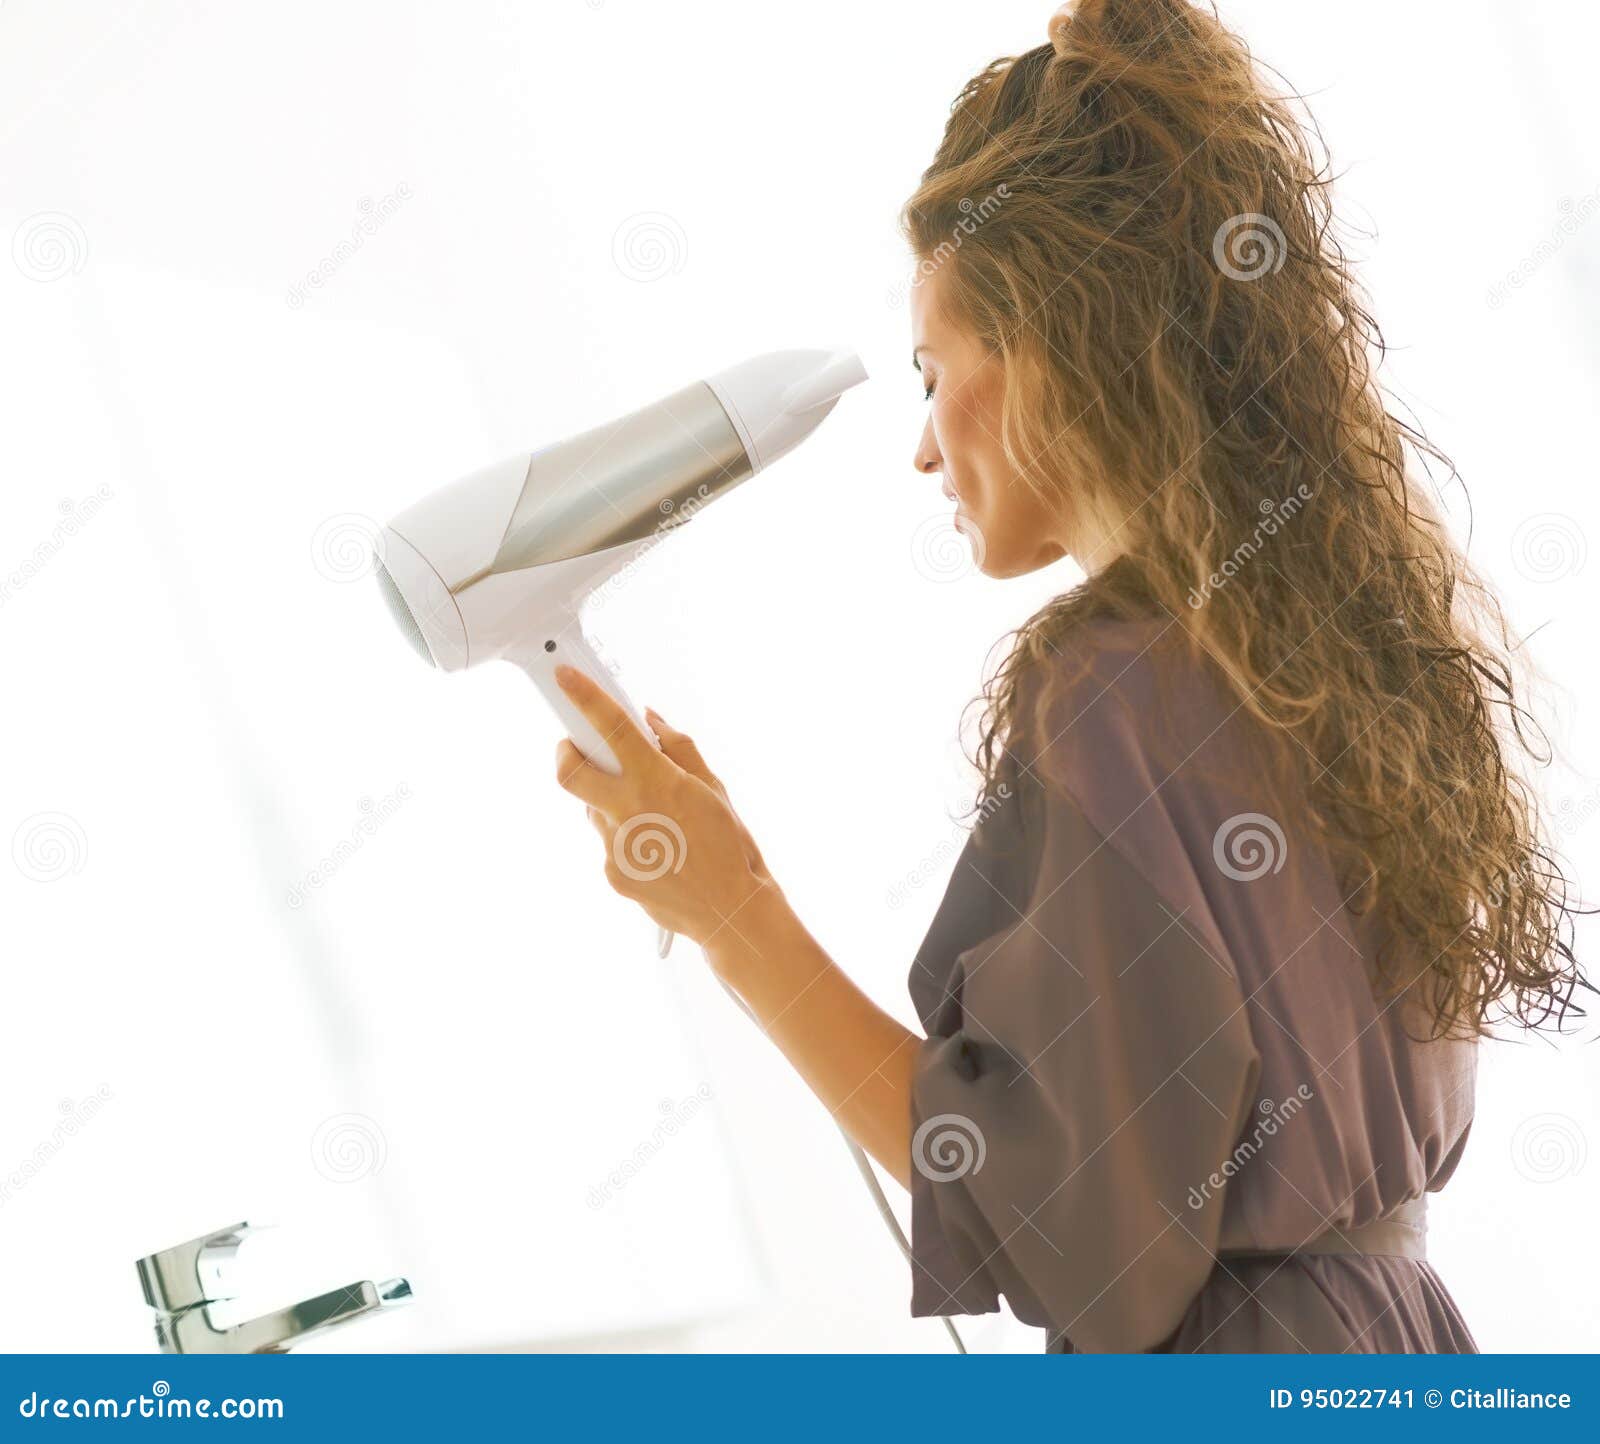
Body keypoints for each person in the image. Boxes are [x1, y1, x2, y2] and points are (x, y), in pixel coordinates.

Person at [552, 0, 1586, 1352]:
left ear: (1049, 340)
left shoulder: (1112, 692)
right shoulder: (1343, 646)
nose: (924, 452)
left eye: (932, 373)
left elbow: (1047, 1214)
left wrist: (735, 915)